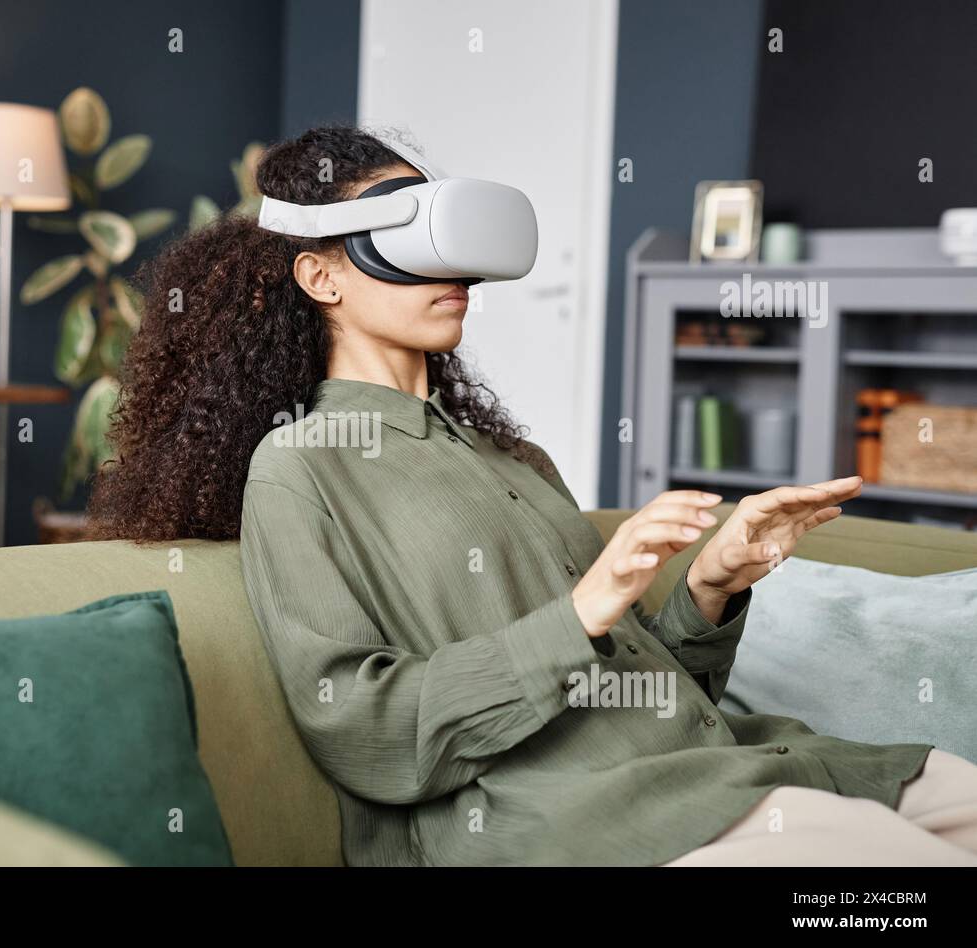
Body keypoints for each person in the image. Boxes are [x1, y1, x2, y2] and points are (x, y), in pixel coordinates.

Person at [88, 125, 977, 866]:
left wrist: (712, 584)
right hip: (572, 818)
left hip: (728, 763)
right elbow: (365, 729)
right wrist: (583, 609)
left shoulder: (516, 458)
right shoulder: (301, 467)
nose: (450, 269)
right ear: (322, 278)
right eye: (402, 240)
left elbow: (644, 690)